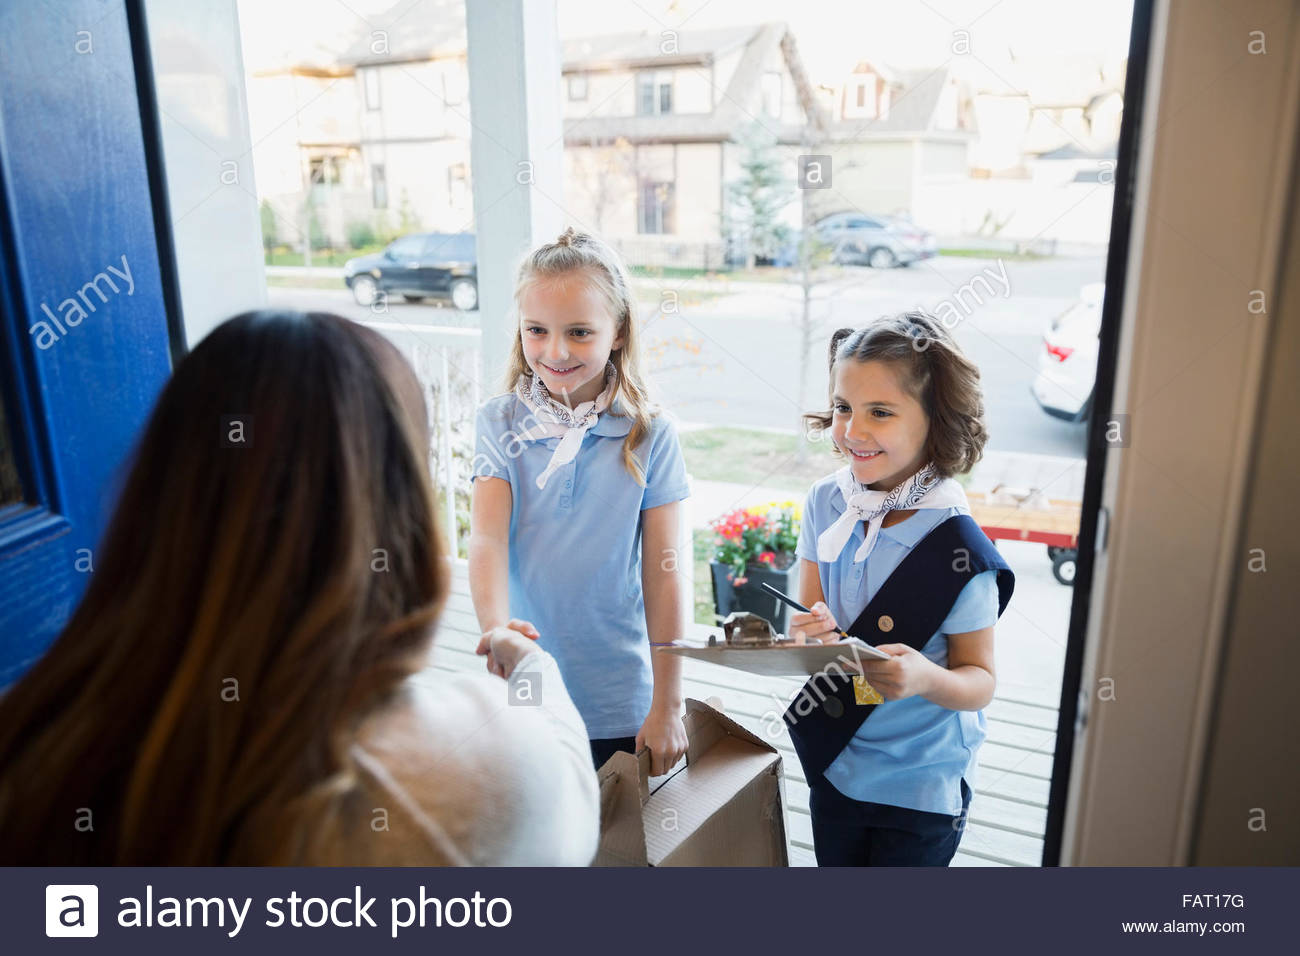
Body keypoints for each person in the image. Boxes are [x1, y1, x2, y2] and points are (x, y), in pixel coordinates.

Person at [0, 310, 598, 865]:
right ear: (399, 515)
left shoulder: (39, 738)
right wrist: (532, 669)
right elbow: (570, 795)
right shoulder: (472, 771)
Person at [786, 312, 1015, 866]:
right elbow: (804, 623)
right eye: (843, 407)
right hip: (837, 762)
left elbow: (979, 681)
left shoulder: (956, 545)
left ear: (936, 421)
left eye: (880, 413)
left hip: (922, 784)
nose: (851, 431)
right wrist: (808, 635)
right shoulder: (826, 502)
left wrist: (923, 678)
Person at [468, 227, 691, 775]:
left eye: (580, 333)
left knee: (616, 852)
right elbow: (487, 540)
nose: (555, 351)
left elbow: (665, 574)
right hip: (524, 686)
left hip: (620, 697)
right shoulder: (498, 423)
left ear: (618, 333)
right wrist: (496, 629)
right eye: (536, 331)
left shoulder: (651, 434)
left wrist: (669, 703)